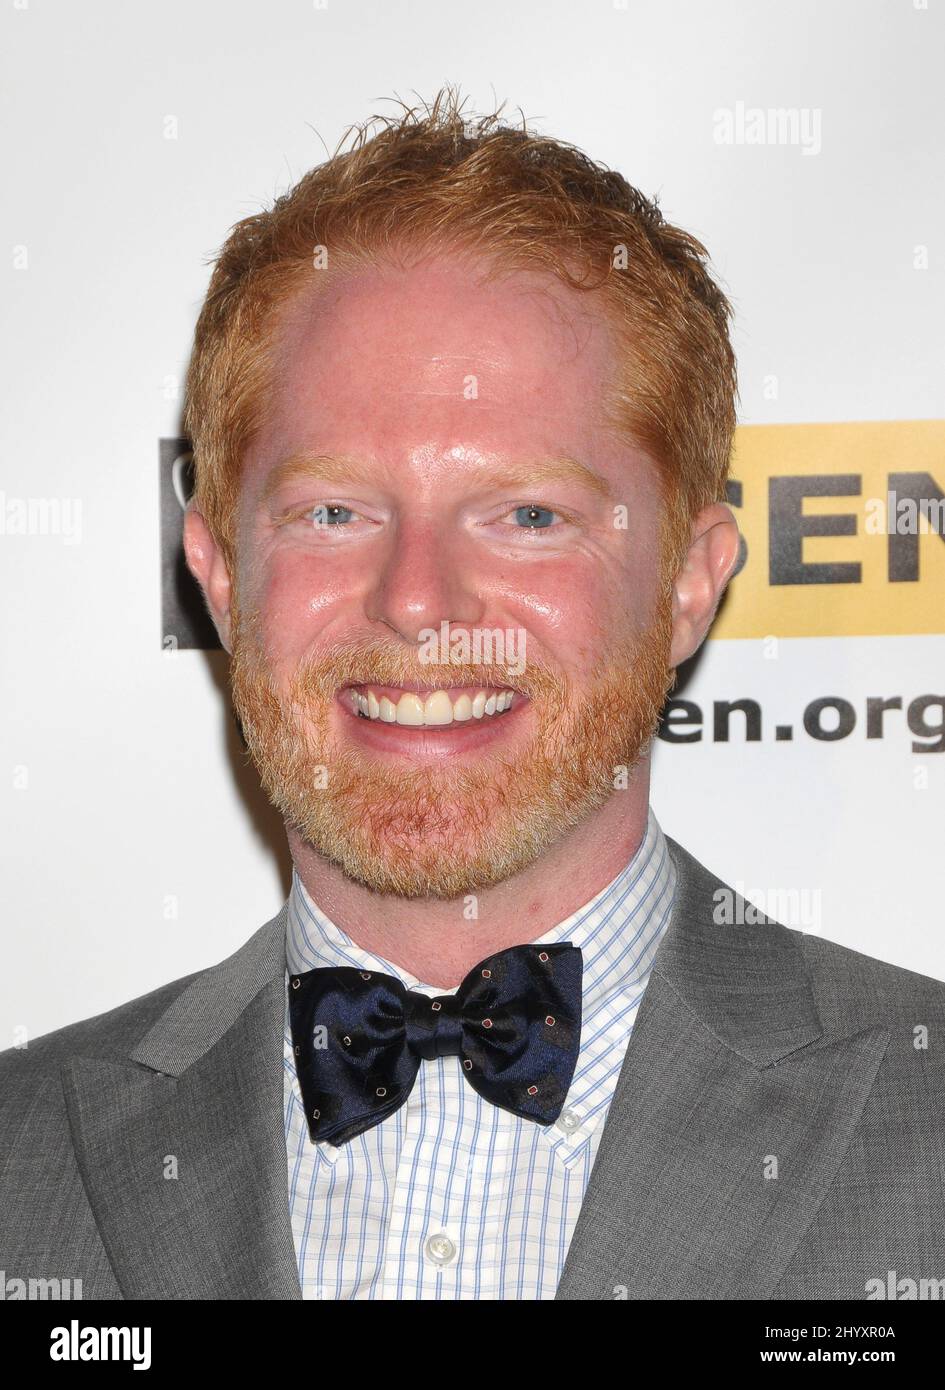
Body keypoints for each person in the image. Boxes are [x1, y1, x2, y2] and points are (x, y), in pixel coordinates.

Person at [2, 90, 943, 1302]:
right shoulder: (22, 1161)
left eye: (529, 516)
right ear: (222, 579)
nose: (418, 602)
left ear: (688, 585)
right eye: (334, 511)